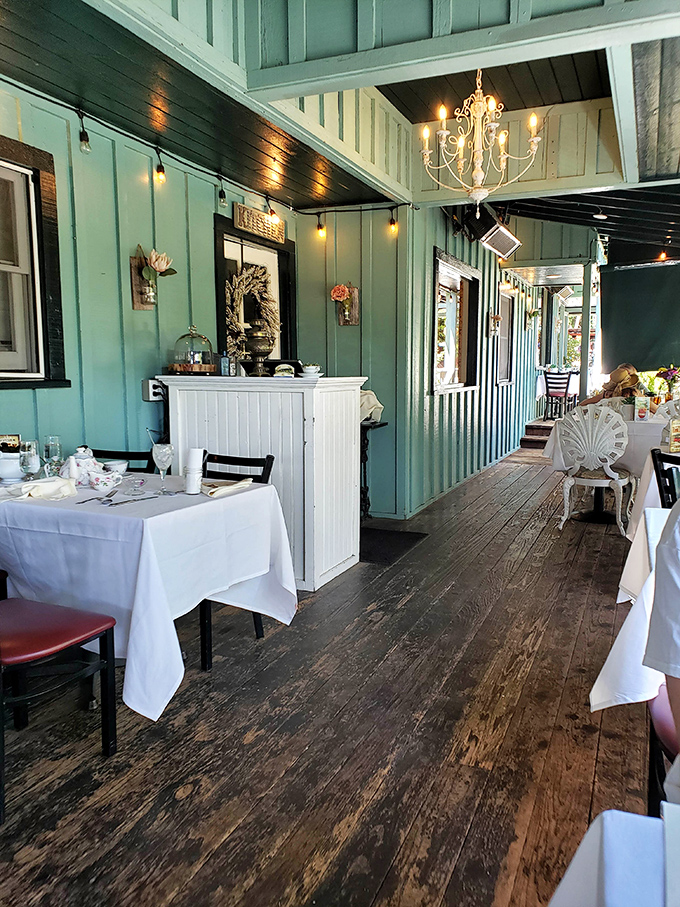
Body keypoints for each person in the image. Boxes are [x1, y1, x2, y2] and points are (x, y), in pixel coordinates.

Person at [580, 363, 658, 412]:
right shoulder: (637, 395)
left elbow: (581, 406)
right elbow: (657, 411)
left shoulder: (606, 394)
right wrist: (642, 398)